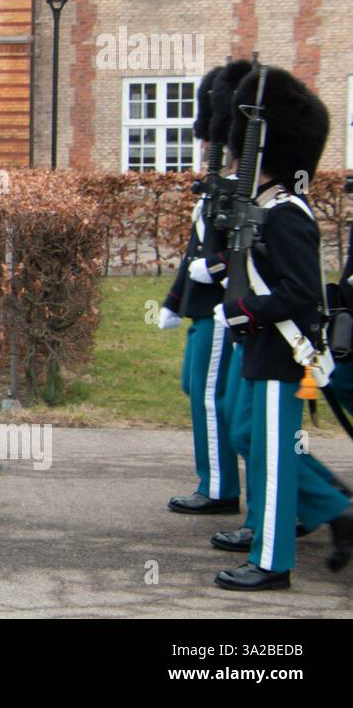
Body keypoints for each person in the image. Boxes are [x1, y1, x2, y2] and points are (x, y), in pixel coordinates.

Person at [210, 66, 353, 590]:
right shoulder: (265, 207)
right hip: (265, 349)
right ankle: (313, 523)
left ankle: (273, 562)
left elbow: (301, 295)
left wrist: (247, 312)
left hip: (285, 352)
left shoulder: (289, 212)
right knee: (251, 437)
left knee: (273, 456)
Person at [159, 66, 240, 515]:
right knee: (196, 387)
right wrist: (174, 299)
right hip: (200, 307)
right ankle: (216, 475)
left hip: (224, 309)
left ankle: (219, 487)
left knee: (210, 395)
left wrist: (219, 268)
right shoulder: (215, 190)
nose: (206, 144)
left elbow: (250, 255)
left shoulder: (238, 193)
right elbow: (196, 250)